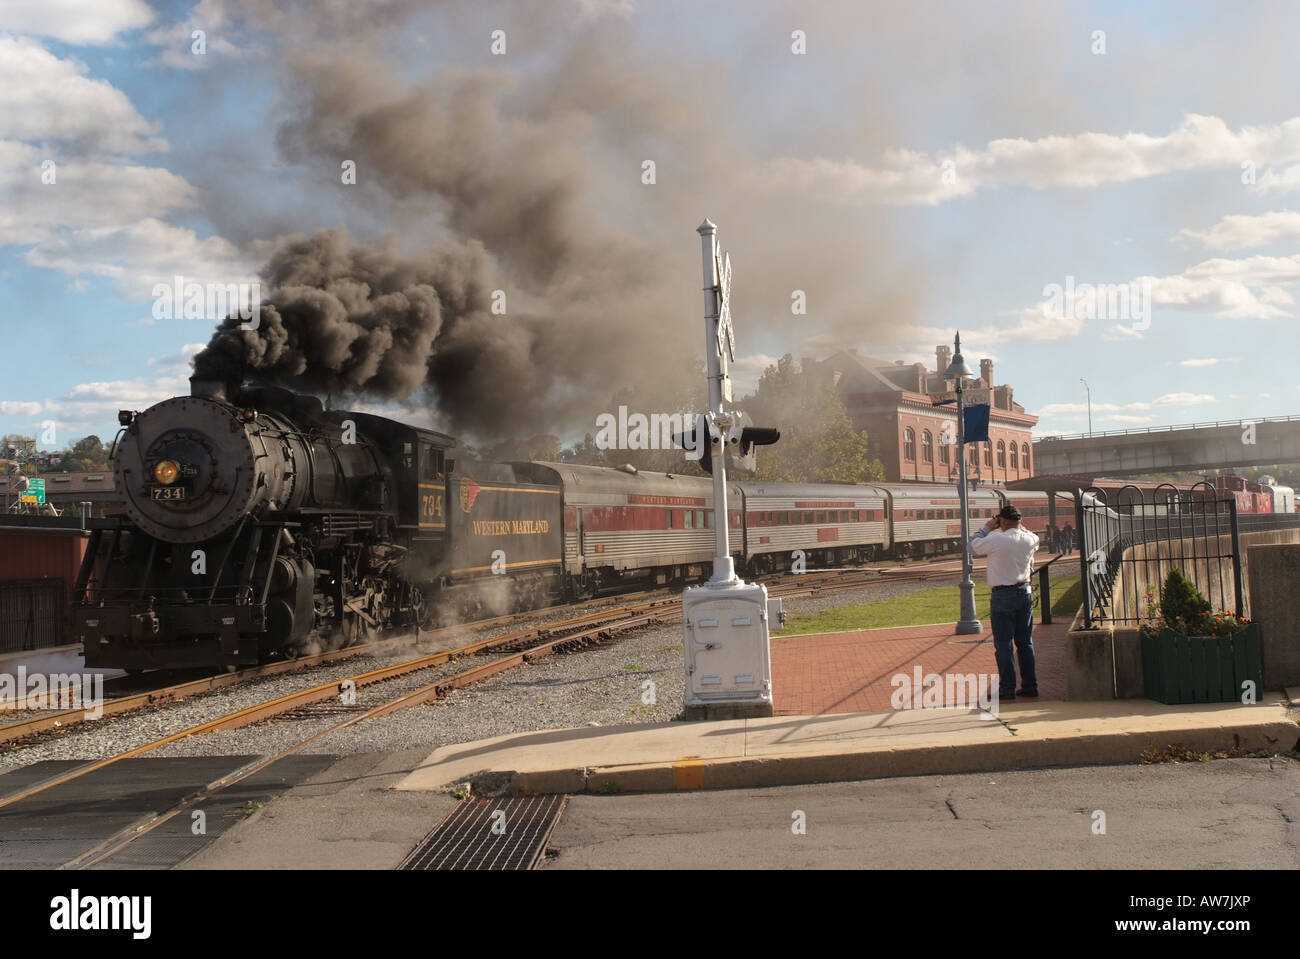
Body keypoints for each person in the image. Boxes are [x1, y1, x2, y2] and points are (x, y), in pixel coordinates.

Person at [968, 504, 1039, 701]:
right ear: (1019, 521)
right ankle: (1030, 685)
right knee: (1025, 643)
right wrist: (1015, 524)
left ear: (1003, 521)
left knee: (1003, 644)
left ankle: (1007, 688)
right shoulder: (1031, 539)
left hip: (1002, 596)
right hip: (1025, 592)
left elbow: (970, 545)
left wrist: (989, 525)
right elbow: (1025, 531)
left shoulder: (995, 539)